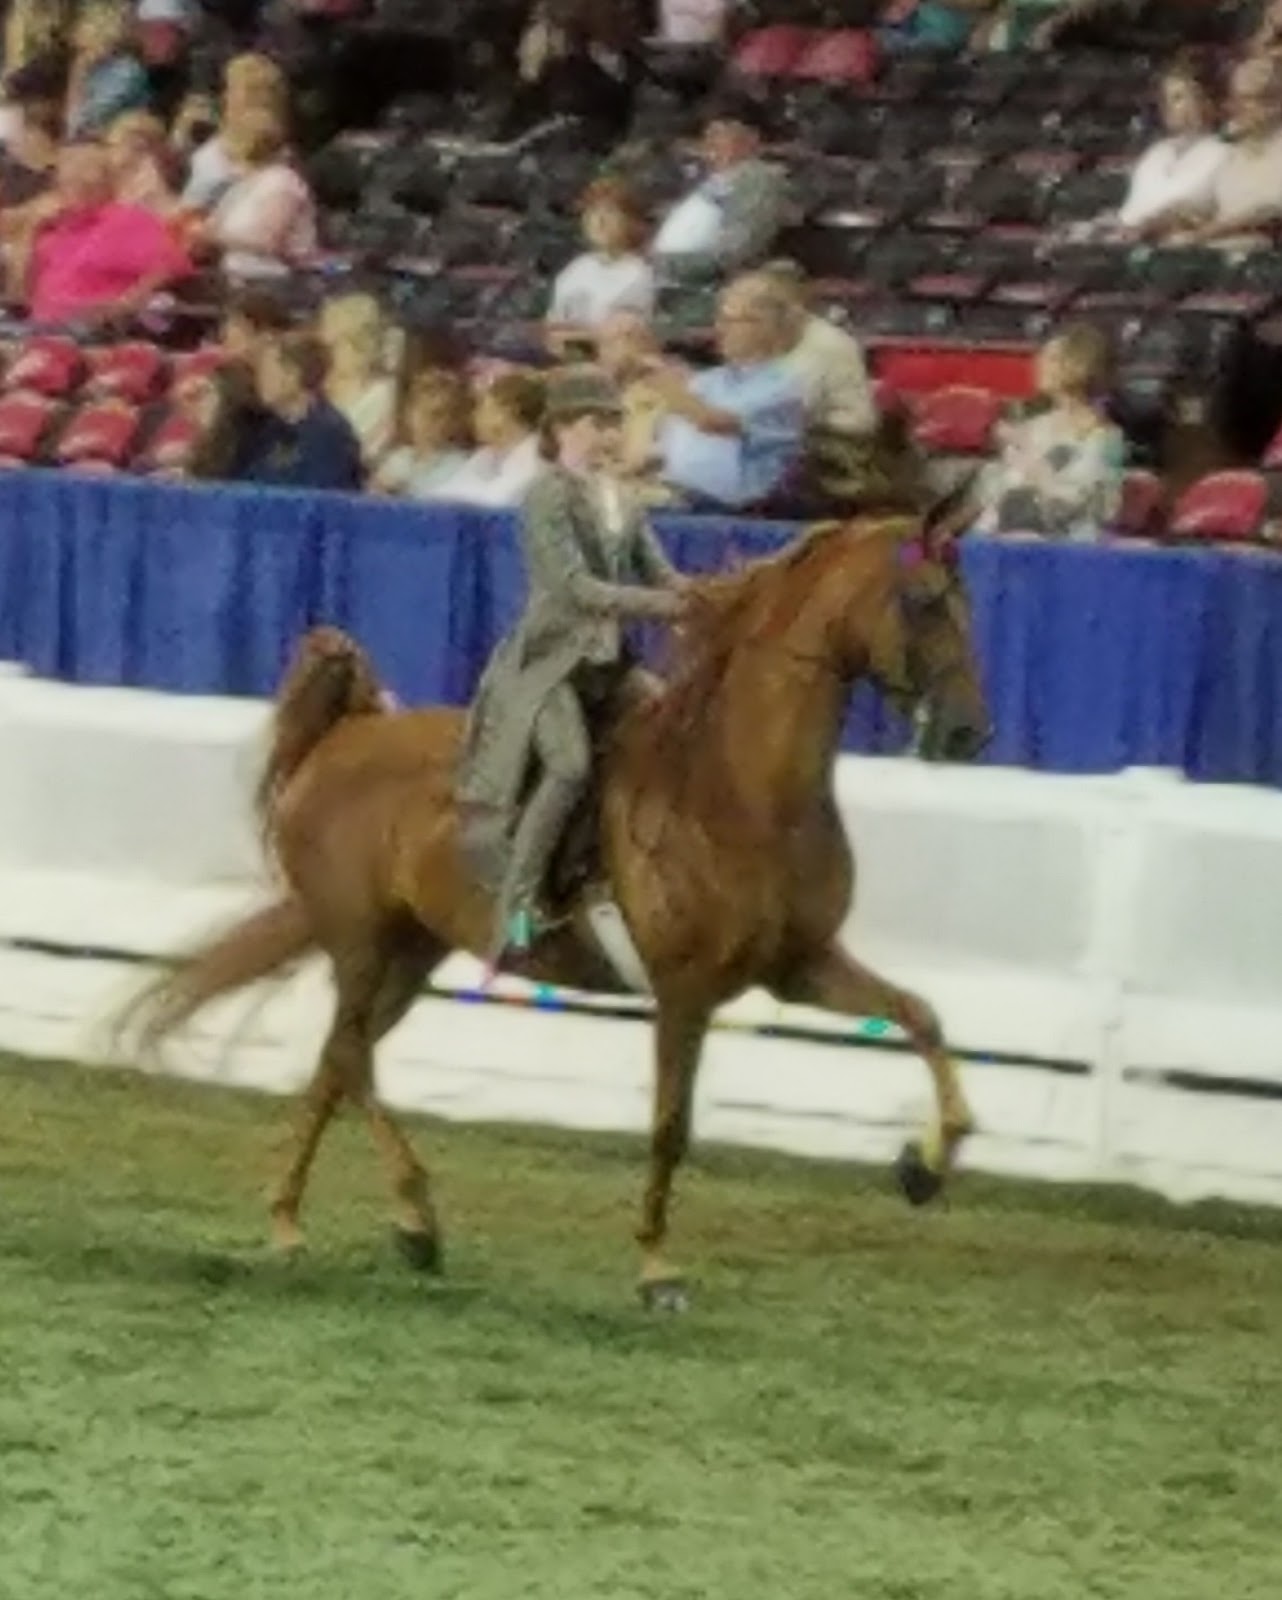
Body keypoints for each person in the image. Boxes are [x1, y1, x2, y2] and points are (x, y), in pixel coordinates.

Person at [457, 367, 688, 961]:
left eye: (616, 422)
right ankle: (518, 905)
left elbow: (660, 572)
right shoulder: (545, 497)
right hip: (552, 666)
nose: (611, 434)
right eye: (597, 423)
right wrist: (666, 605)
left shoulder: (623, 500)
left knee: (678, 733)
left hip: (611, 664)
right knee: (569, 767)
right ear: (561, 428)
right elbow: (575, 588)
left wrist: (709, 598)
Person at [974, 324, 1126, 541]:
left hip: (1065, 550)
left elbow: (1093, 509)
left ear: (1080, 365)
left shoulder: (1107, 438)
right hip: (1005, 542)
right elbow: (999, 495)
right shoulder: (1033, 427)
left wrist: (1031, 464)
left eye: (1052, 358)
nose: (1038, 364)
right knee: (913, 554)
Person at [236, 330, 364, 492]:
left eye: (268, 371)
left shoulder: (331, 434)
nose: (259, 380)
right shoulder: (265, 431)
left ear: (293, 375)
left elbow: (321, 497)